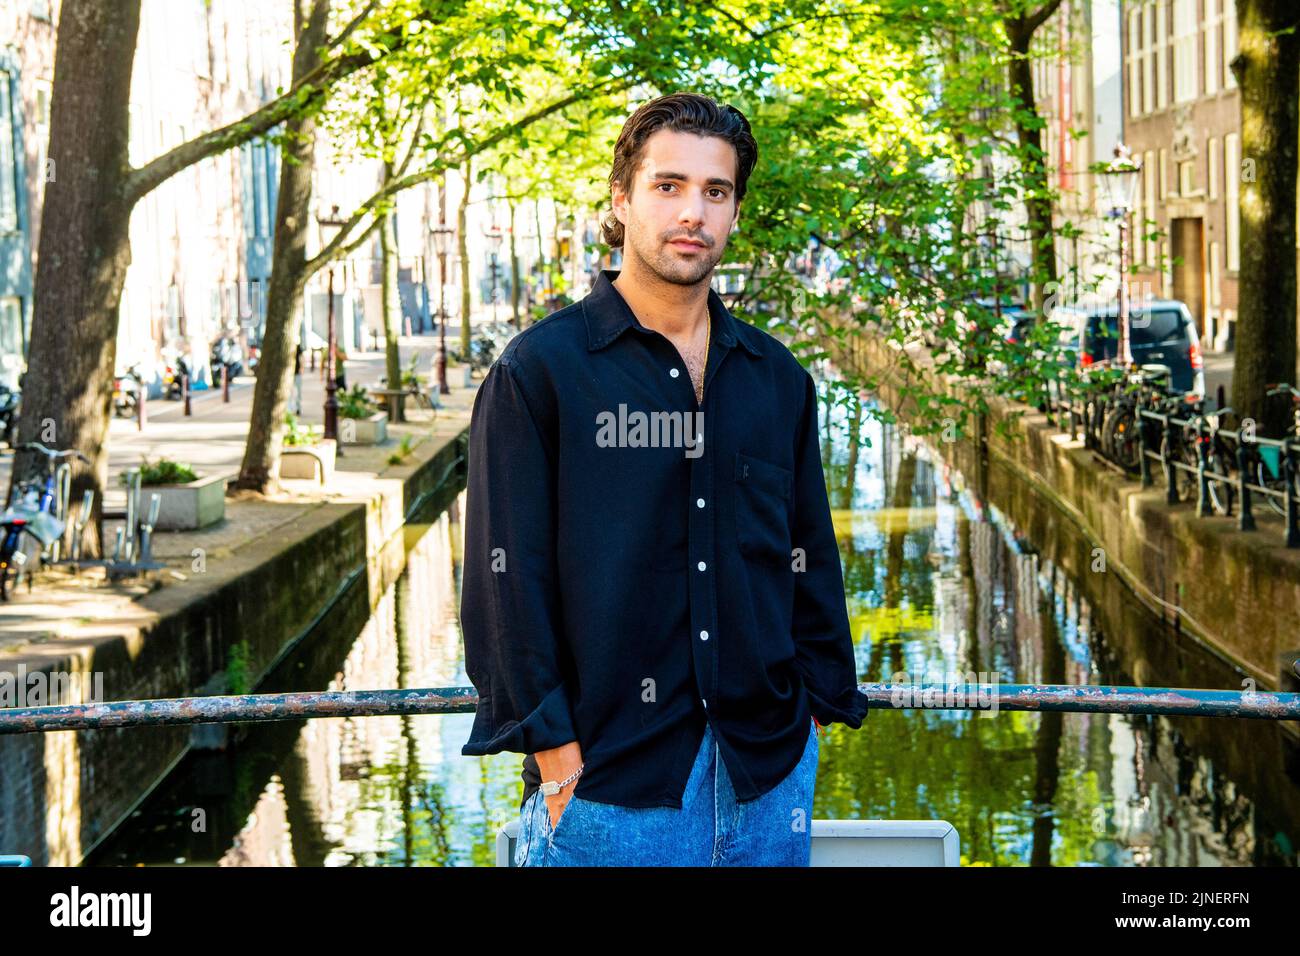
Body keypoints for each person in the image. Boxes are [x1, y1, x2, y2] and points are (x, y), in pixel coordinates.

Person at [459, 92, 868, 867]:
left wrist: (813, 714)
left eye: (715, 192)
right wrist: (557, 756)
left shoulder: (777, 378)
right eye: (668, 186)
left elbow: (808, 554)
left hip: (767, 780)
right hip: (612, 797)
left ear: (736, 212)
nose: (693, 213)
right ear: (621, 199)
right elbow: (502, 581)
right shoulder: (539, 373)